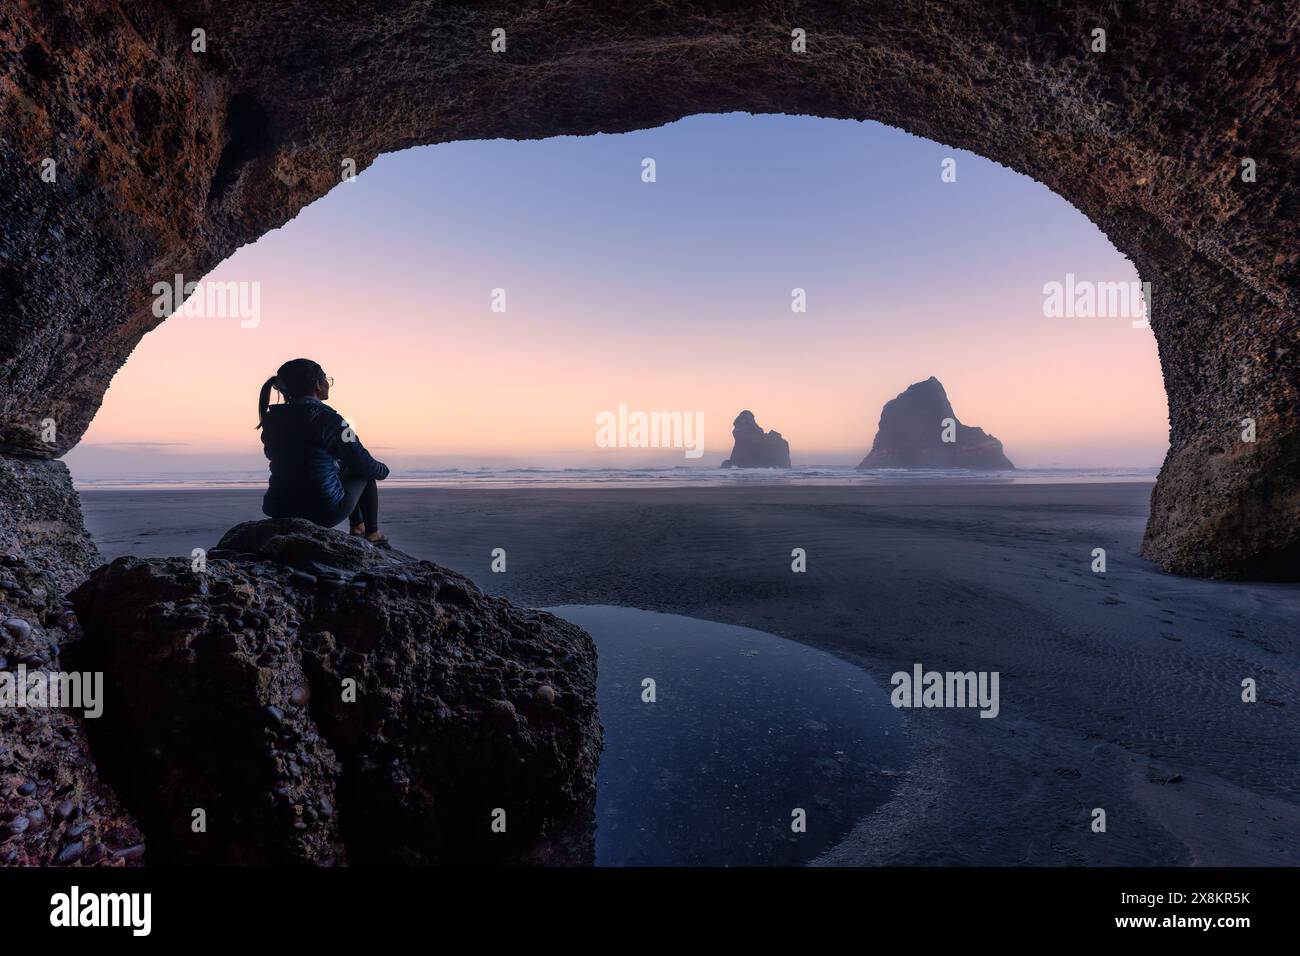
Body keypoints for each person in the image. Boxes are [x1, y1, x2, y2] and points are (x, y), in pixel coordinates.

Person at [256, 358, 389, 543]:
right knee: (362, 472)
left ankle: (358, 527)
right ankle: (372, 534)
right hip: (321, 512)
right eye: (326, 379)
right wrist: (385, 470)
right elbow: (365, 464)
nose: (328, 383)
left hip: (279, 508)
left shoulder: (272, 418)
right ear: (318, 384)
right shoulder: (330, 420)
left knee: (343, 465)